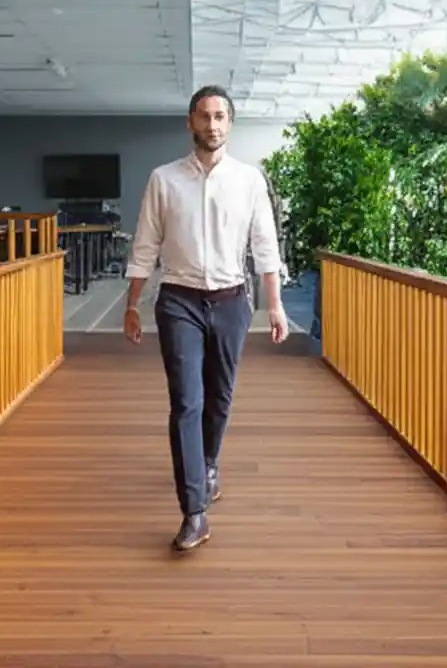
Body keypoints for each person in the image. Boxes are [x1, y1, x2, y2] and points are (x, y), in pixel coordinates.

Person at [123, 85, 288, 551]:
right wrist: (132, 303)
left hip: (232, 300)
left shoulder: (249, 180)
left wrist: (273, 304)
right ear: (190, 123)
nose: (212, 124)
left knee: (219, 396)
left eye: (220, 116)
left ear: (229, 124)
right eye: (203, 116)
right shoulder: (164, 179)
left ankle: (209, 462)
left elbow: (264, 246)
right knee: (186, 403)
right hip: (178, 299)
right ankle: (193, 511)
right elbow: (146, 245)